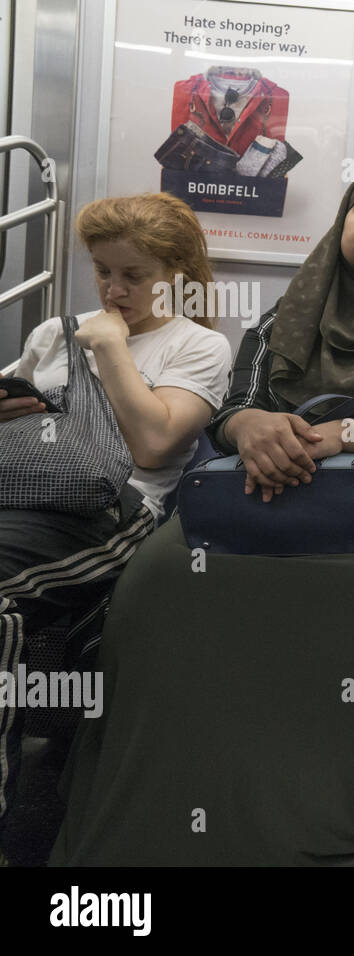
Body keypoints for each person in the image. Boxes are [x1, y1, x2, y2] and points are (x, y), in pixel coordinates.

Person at [49, 170, 354, 866]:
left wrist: (339, 434)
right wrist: (253, 426)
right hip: (269, 490)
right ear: (342, 222)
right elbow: (230, 411)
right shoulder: (283, 314)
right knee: (159, 578)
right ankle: (141, 824)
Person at [0, 193, 231, 858]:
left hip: (115, 511)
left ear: (177, 276)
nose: (114, 288)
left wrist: (111, 348)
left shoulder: (200, 347)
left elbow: (156, 444)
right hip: (27, 492)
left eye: (134, 275)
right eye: (103, 272)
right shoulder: (52, 334)